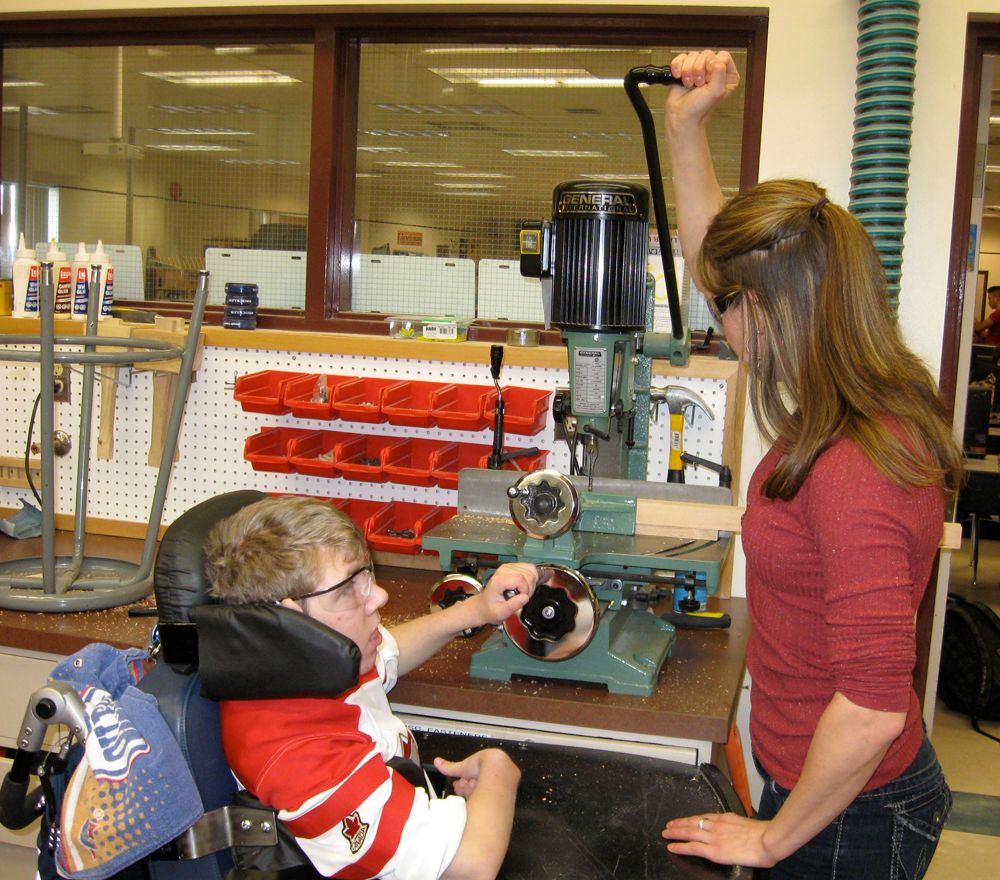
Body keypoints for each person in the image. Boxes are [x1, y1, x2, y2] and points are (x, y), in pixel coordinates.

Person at [659, 51, 963, 879]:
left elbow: (868, 708)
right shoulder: (845, 408)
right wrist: (684, 132)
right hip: (818, 785)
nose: (718, 321)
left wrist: (770, 838)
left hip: (852, 813)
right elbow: (717, 260)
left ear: (780, 306)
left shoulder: (857, 462)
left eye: (728, 305)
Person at [203, 494, 540, 880]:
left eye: (367, 577)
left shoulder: (304, 665)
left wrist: (477, 609)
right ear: (291, 619)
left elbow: (390, 653)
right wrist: (498, 772)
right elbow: (469, 867)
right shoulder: (300, 757)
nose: (379, 596)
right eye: (348, 588)